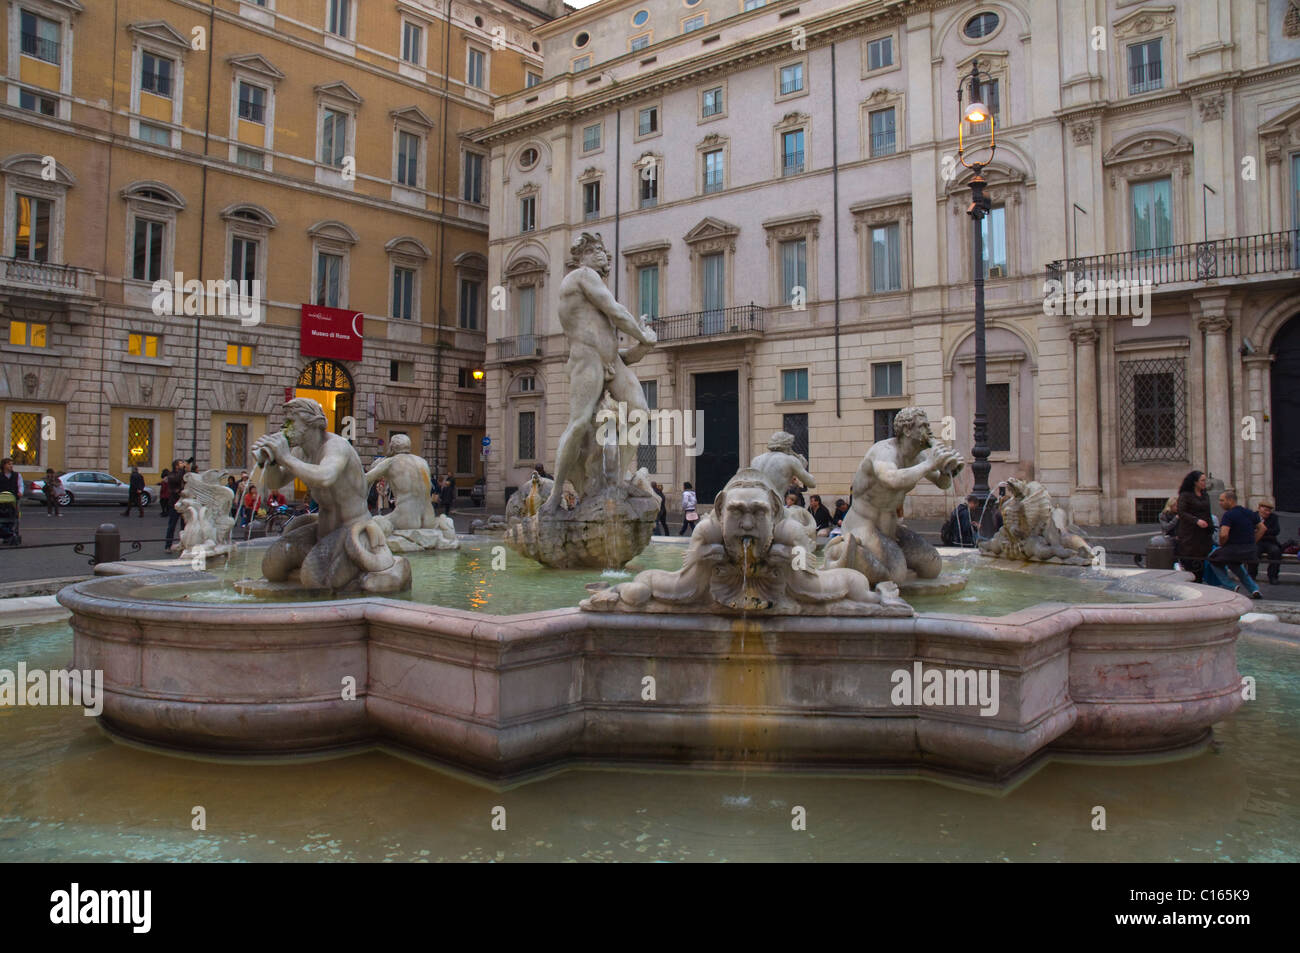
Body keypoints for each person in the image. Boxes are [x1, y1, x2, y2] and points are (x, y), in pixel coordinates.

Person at [541, 232, 657, 515]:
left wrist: (643, 347)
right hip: (587, 359)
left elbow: (625, 354)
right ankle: (556, 494)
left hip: (612, 360)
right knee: (579, 423)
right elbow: (616, 311)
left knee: (640, 411)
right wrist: (642, 334)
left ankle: (616, 482)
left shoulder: (592, 292)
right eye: (595, 250)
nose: (602, 254)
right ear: (582, 256)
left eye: (604, 251)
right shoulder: (581, 275)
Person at [1205, 489, 1265, 598]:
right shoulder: (1250, 513)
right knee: (1235, 564)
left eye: (1222, 500)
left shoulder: (1229, 515)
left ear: (1230, 500)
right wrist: (1252, 541)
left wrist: (1222, 545)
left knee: (1212, 558)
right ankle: (1254, 589)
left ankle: (1230, 586)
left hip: (1233, 549)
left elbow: (1223, 534)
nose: (1220, 503)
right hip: (1250, 550)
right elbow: (1263, 528)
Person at [1175, 470, 1213, 583]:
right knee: (1190, 560)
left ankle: (1200, 581)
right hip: (1189, 533)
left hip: (1203, 534)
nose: (1204, 482)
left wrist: (1210, 526)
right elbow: (1181, 512)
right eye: (1202, 480)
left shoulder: (1205, 494)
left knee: (1202, 560)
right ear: (1195, 482)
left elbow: (1207, 511)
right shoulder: (1185, 495)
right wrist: (1196, 520)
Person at [1248, 498, 1282, 586]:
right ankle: (1252, 575)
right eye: (1265, 510)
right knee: (1254, 552)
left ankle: (1273, 576)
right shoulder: (1252, 516)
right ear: (1259, 508)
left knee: (1275, 551)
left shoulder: (1273, 517)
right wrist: (1264, 532)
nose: (1267, 513)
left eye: (1269, 511)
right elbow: (1249, 530)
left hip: (1269, 542)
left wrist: (1261, 531)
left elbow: (1275, 531)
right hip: (1257, 542)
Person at [163, 460, 186, 550]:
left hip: (183, 503)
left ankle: (183, 544)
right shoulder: (171, 474)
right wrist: (182, 470)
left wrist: (186, 469)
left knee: (184, 526)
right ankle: (168, 545)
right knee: (172, 525)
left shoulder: (182, 473)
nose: (182, 464)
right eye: (180, 463)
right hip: (174, 503)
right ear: (176, 466)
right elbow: (177, 479)